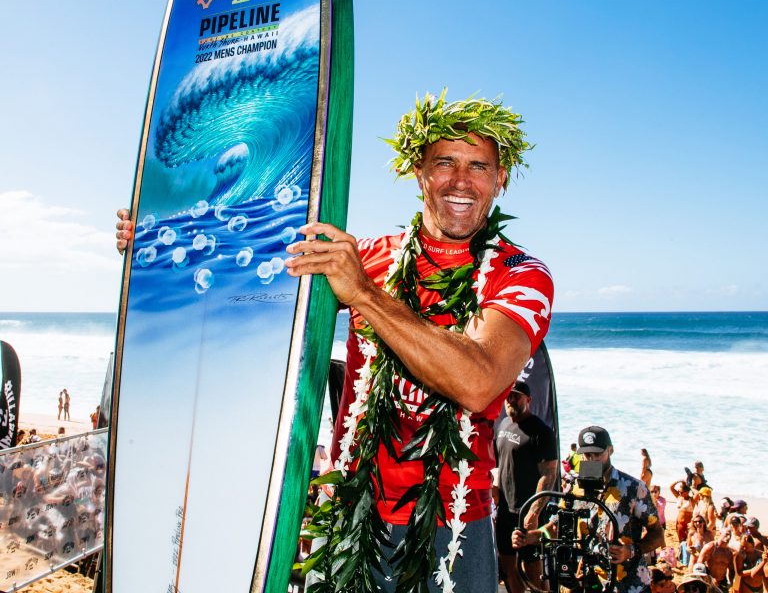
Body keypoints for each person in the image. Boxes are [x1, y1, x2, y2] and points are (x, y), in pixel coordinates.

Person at [117, 92, 554, 593]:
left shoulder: (520, 275)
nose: (461, 180)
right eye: (444, 163)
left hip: (453, 529)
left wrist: (365, 294)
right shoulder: (367, 256)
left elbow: (479, 381)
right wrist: (153, 236)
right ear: (419, 172)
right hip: (350, 513)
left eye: (478, 166)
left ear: (500, 178)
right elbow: (242, 270)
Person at [512, 425, 664, 593]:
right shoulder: (573, 487)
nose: (592, 460)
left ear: (610, 450)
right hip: (583, 582)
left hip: (628, 585)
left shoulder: (634, 488)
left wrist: (630, 551)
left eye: (598, 454)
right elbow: (557, 527)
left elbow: (658, 535)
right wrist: (530, 537)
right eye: (587, 454)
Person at [493, 380, 558, 593]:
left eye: (517, 396)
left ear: (528, 400)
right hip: (505, 510)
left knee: (534, 571)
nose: (511, 400)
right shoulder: (502, 425)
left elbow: (549, 475)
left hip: (527, 512)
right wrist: (494, 492)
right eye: (508, 396)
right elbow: (500, 464)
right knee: (508, 566)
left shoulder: (541, 432)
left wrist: (533, 512)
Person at [699, 528, 735, 593]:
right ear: (720, 534)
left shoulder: (729, 552)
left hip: (722, 581)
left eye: (730, 536)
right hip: (709, 580)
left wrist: (732, 583)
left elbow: (731, 569)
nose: (728, 537)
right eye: (726, 534)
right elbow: (699, 563)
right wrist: (710, 578)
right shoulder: (711, 547)